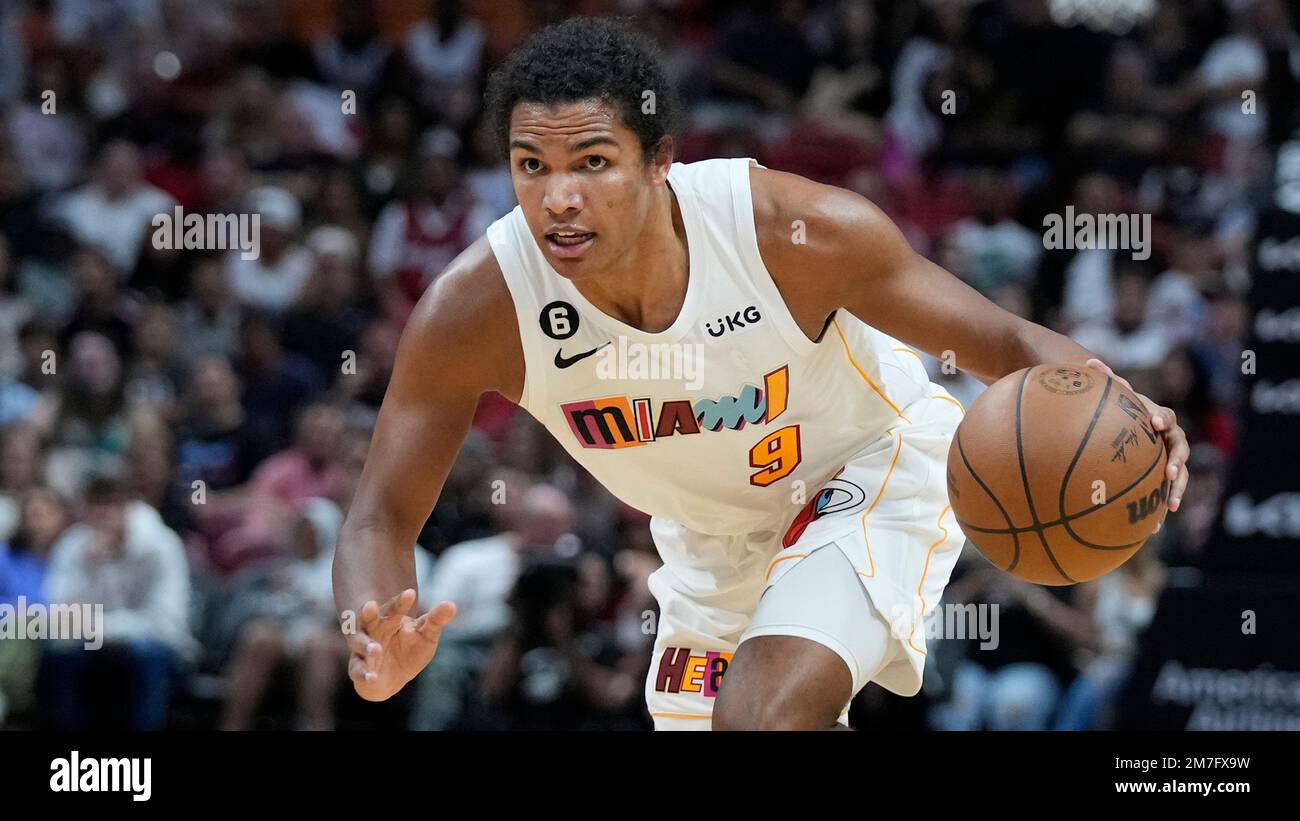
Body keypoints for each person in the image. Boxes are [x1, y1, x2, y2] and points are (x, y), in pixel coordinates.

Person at [332, 18, 1190, 731]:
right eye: (532, 166)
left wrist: (1125, 405)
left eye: (592, 162)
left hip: (868, 466)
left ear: (659, 159)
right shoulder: (475, 310)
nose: (559, 197)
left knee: (764, 715)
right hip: (712, 542)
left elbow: (1002, 338)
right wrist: (373, 636)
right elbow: (379, 515)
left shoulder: (791, 233)